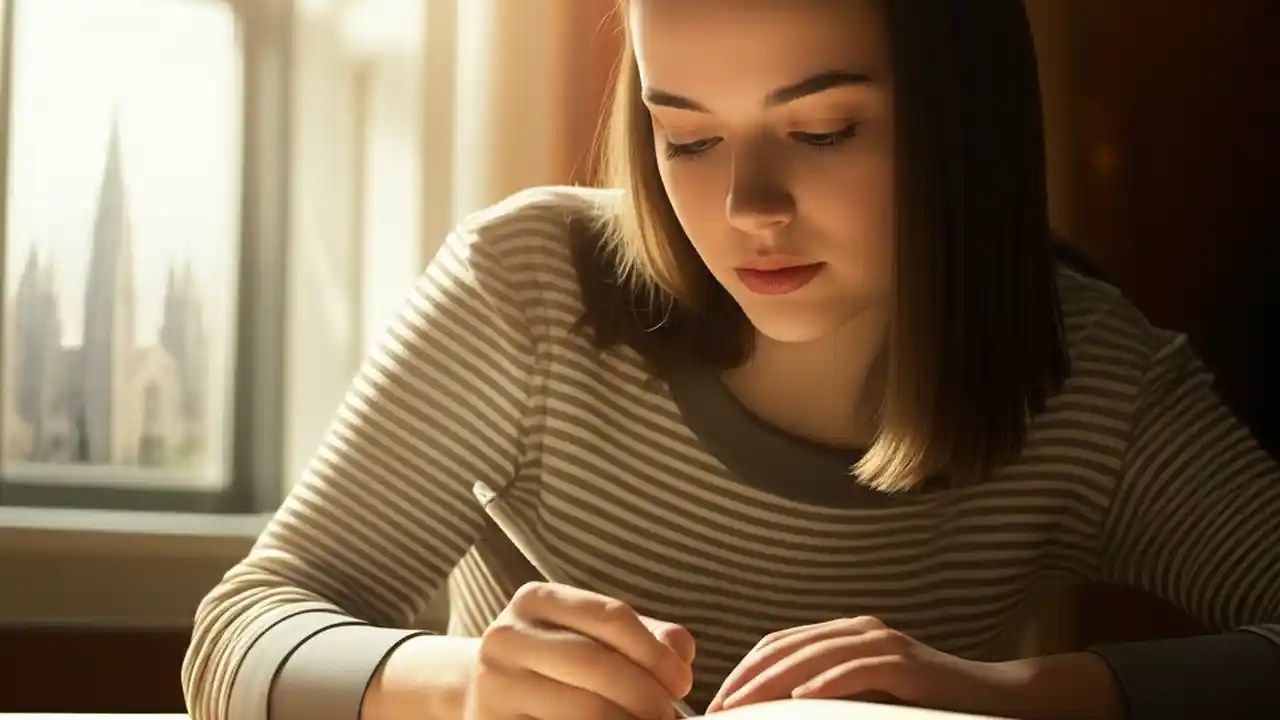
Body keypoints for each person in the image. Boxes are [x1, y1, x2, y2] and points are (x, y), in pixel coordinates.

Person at [182, 1, 1280, 718]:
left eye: (821, 131)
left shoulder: (1094, 380)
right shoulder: (528, 286)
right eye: (689, 140)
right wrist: (459, 688)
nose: (745, 209)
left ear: (962, 125)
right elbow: (238, 634)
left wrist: (1015, 694)